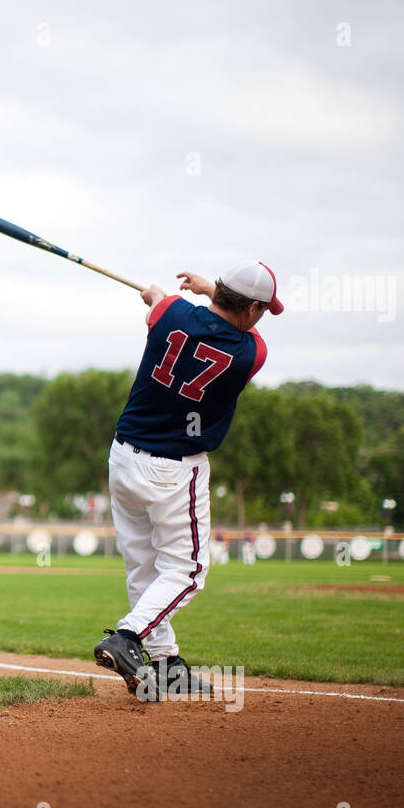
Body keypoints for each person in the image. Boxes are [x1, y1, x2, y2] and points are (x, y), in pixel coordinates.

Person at [95, 261, 281, 701]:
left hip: (123, 456)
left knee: (144, 566)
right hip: (175, 468)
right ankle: (126, 638)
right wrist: (204, 294)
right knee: (188, 571)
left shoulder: (169, 313)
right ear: (251, 307)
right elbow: (237, 329)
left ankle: (166, 666)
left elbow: (158, 310)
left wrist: (179, 297)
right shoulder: (250, 354)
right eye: (261, 309)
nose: (261, 316)